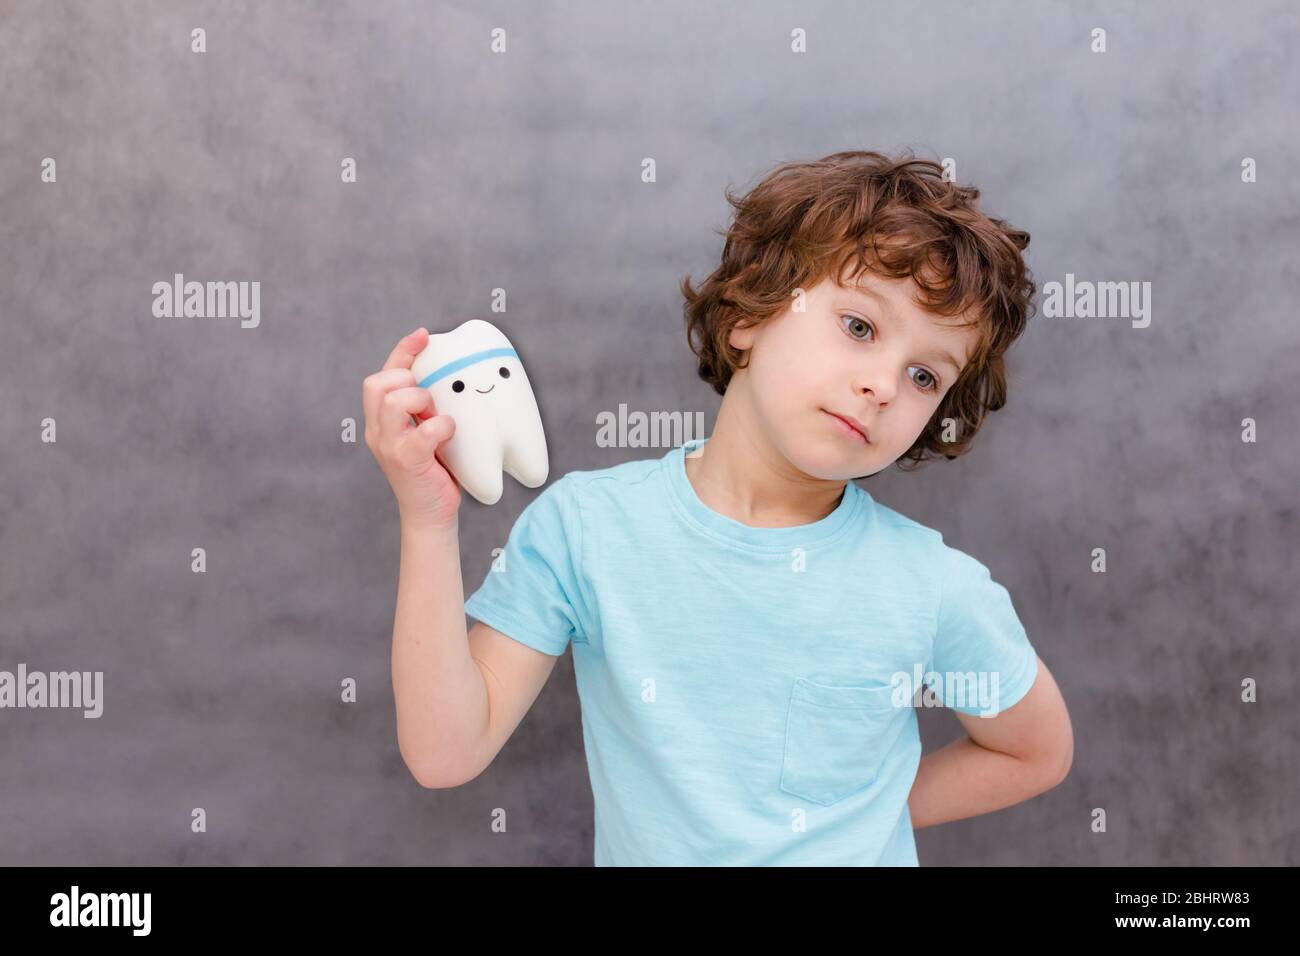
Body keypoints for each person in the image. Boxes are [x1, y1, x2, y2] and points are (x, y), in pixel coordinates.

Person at [364, 150, 1074, 865]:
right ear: (748, 317)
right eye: (860, 327)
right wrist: (427, 520)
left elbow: (1034, 751)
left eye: (925, 375)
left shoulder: (931, 584)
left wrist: (866, 812)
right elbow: (445, 753)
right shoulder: (587, 532)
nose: (885, 385)